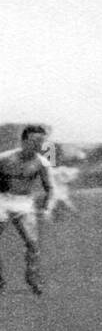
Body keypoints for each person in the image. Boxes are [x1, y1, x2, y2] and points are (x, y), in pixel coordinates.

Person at [0, 125, 56, 295]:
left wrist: (47, 207)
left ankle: (33, 278)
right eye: (34, 141)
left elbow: (50, 188)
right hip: (2, 200)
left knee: (33, 243)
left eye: (42, 141)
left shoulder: (42, 162)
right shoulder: (4, 159)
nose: (38, 145)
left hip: (24, 203)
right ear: (23, 141)